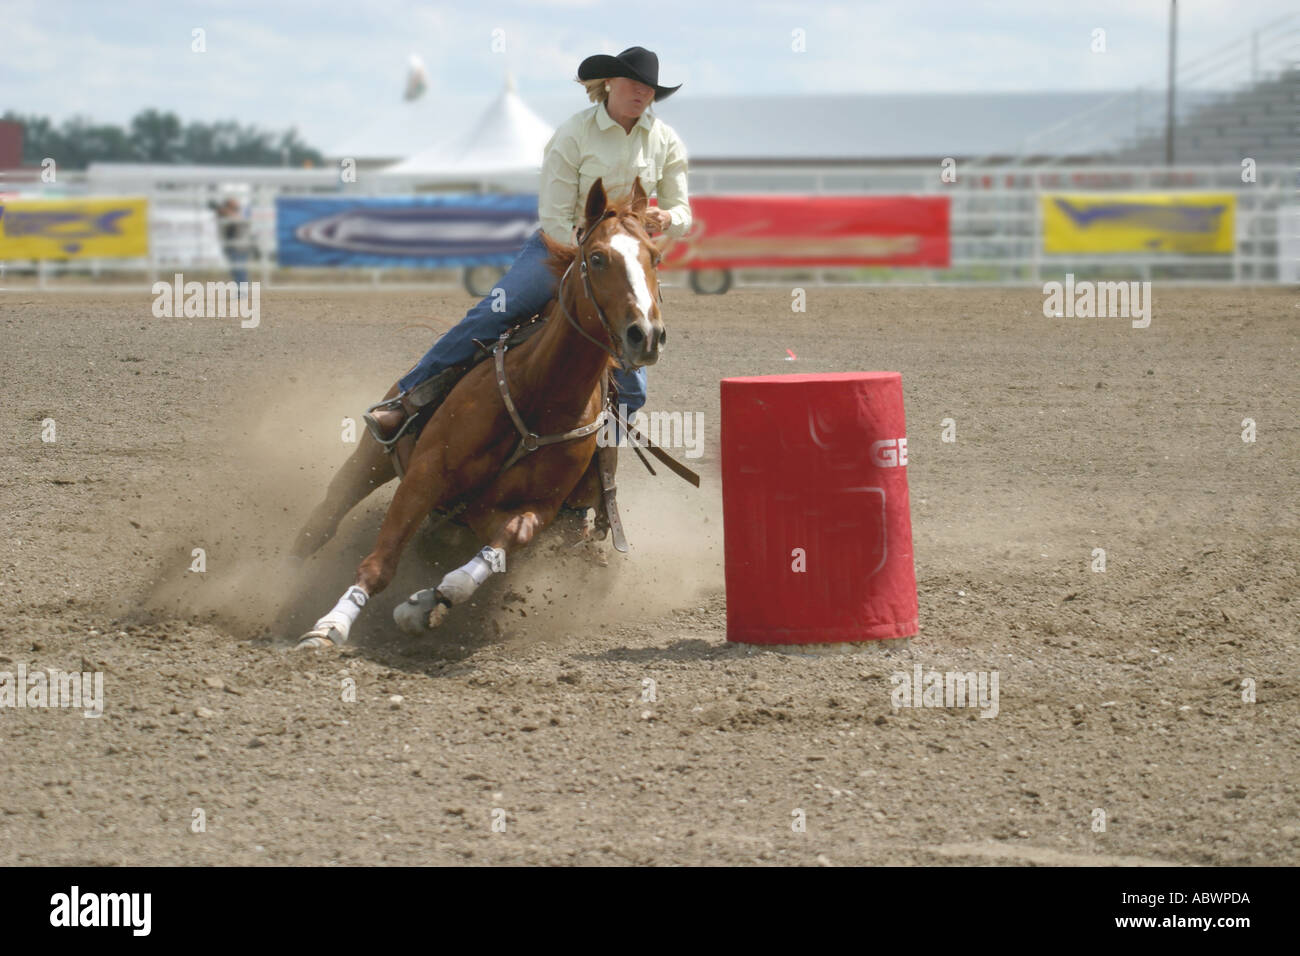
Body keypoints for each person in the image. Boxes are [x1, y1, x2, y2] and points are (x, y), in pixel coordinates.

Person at [364, 45, 692, 449]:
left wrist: (669, 219)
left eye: (648, 88)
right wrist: (586, 258)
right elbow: (555, 217)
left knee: (634, 381)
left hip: (624, 264)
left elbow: (682, 209)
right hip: (561, 250)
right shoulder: (573, 135)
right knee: (491, 314)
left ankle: (596, 473)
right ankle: (407, 398)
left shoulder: (664, 141)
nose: (642, 93)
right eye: (633, 84)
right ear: (609, 83)